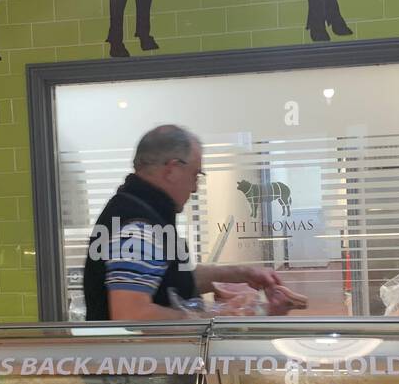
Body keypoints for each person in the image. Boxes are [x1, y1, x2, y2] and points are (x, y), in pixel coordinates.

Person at [83, 124, 303, 320]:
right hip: (142, 365)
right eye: (195, 175)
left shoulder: (140, 211)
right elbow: (132, 315)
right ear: (172, 169)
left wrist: (244, 273)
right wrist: (207, 318)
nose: (195, 187)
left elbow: (176, 277)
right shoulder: (139, 229)